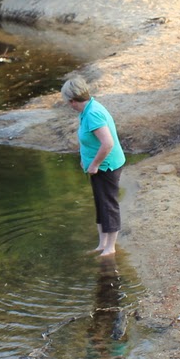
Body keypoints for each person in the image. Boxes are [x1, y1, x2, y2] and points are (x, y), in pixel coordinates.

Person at [61, 75, 125, 256]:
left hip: (107, 166)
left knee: (108, 204)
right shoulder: (87, 110)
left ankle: (110, 248)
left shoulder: (93, 113)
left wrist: (94, 164)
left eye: (68, 102)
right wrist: (85, 159)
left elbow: (108, 144)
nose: (68, 105)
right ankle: (102, 244)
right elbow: (90, 140)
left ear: (73, 101)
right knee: (100, 203)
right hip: (97, 165)